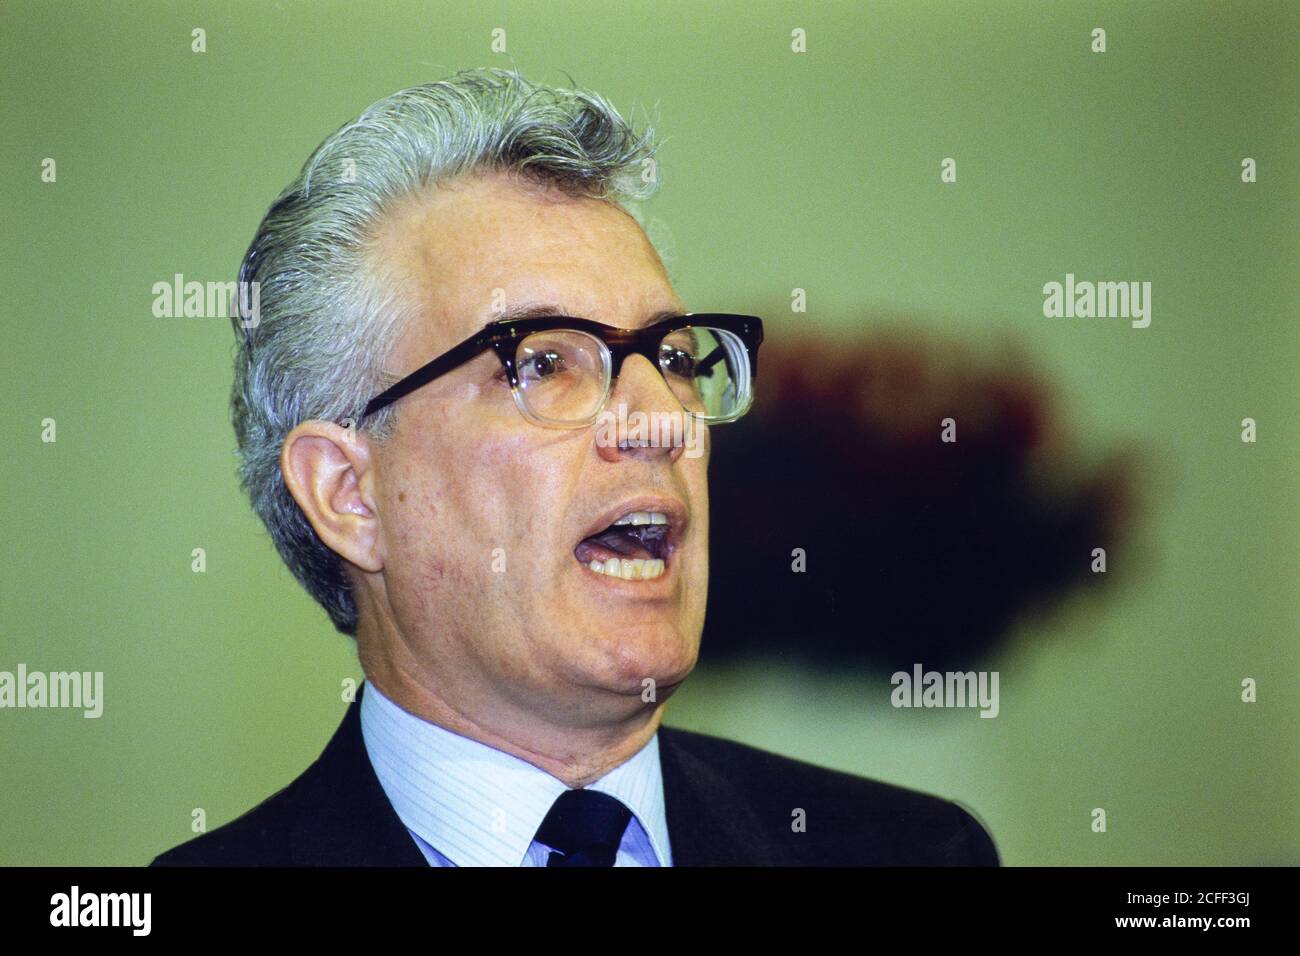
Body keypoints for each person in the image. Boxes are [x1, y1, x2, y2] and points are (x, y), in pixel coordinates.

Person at [151, 68, 998, 867]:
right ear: (350, 493)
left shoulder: (913, 852)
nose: (665, 420)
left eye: (672, 356)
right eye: (545, 362)